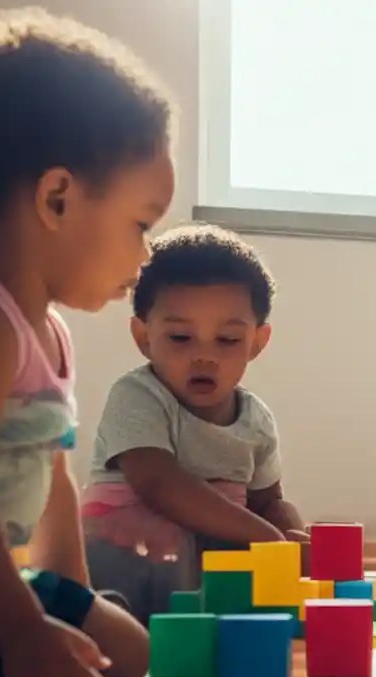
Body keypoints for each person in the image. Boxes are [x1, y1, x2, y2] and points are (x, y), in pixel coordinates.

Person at [0, 9, 173, 677]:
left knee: (127, 653)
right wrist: (24, 630)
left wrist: (71, 603)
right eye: (141, 224)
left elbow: (51, 479)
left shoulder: (45, 329)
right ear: (57, 198)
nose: (145, 253)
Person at [81, 226, 307, 625]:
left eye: (227, 340)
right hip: (128, 550)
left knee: (266, 539)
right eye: (181, 337)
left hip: (208, 560)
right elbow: (158, 484)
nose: (204, 356)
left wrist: (290, 539)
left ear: (257, 342)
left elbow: (267, 502)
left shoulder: (256, 420)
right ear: (143, 337)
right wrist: (265, 537)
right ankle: (127, 629)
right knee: (171, 541)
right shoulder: (138, 395)